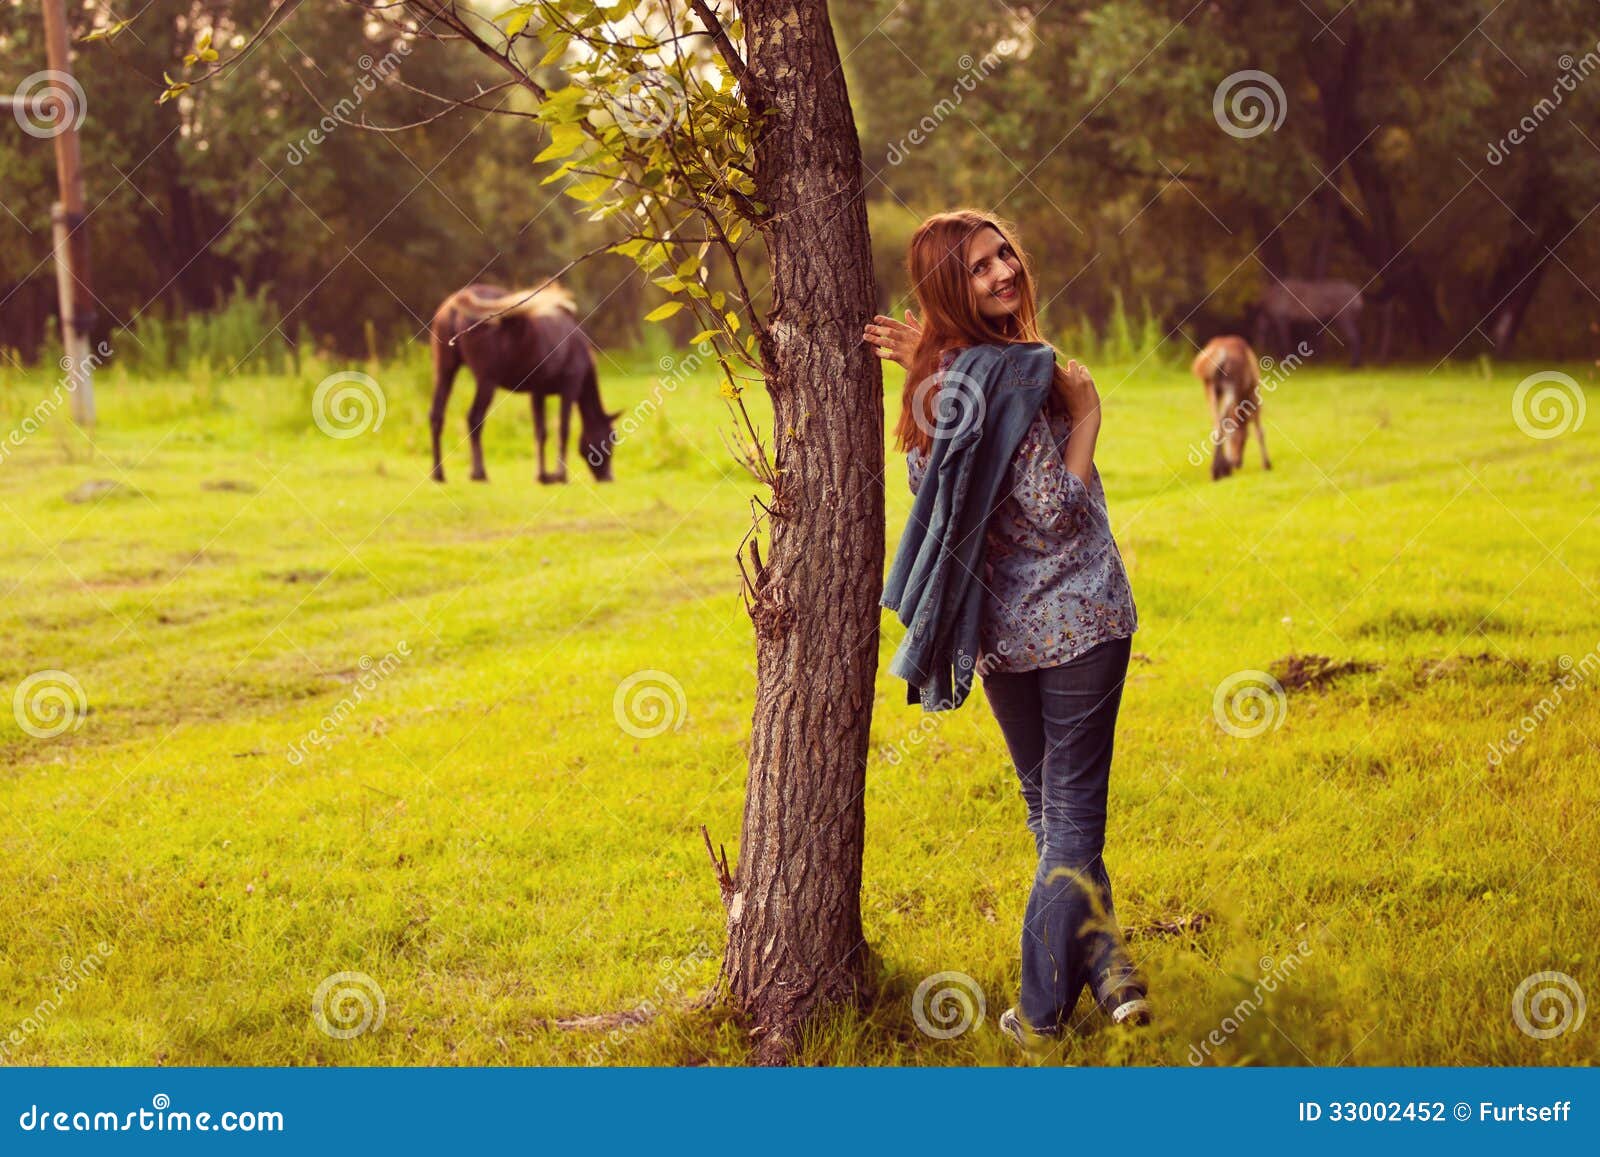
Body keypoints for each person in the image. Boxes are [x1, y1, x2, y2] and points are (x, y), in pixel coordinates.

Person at [864, 209, 1150, 1046]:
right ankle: (1039, 1013)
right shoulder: (1024, 376)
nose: (1002, 273)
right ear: (952, 289)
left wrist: (933, 354)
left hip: (998, 635)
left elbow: (943, 497)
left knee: (1049, 810)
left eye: (1004, 255)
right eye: (979, 267)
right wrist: (1088, 414)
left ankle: (1112, 972)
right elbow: (1056, 512)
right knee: (1067, 821)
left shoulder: (934, 388)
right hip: (1080, 619)